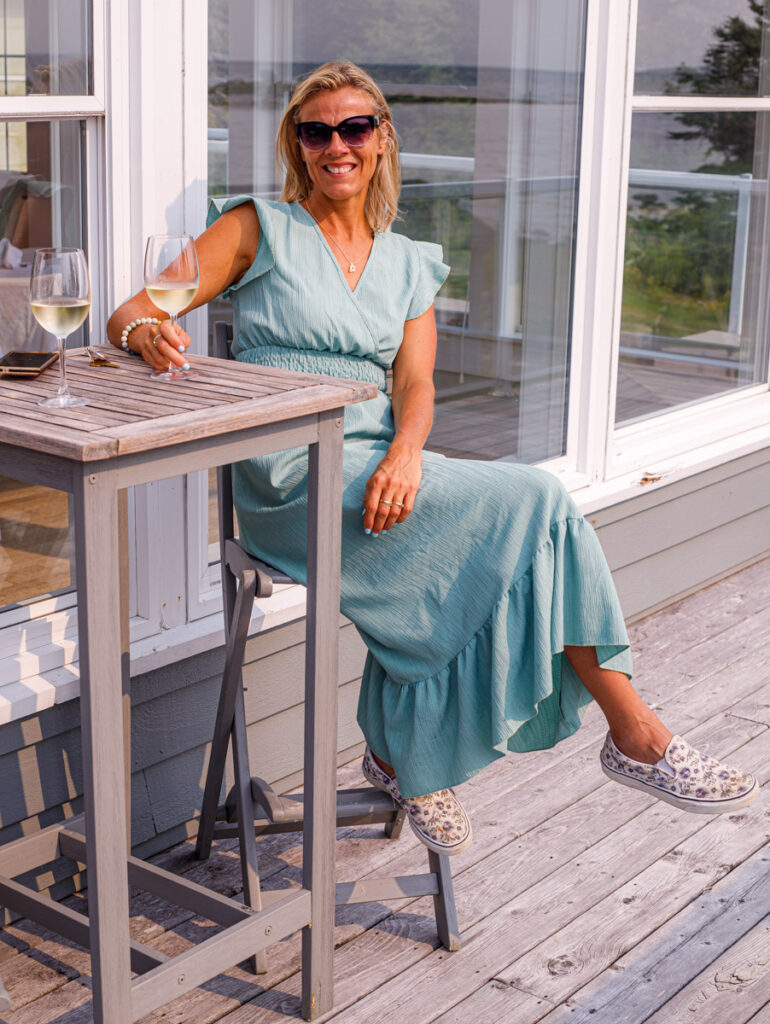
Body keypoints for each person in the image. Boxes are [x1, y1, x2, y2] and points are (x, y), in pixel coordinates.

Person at [107, 61, 758, 858]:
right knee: (533, 504)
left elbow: (415, 384)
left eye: (355, 127)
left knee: (532, 511)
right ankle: (620, 736)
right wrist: (145, 333)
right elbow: (132, 311)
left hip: (374, 455)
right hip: (288, 474)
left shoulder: (410, 261)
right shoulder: (257, 228)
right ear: (296, 144)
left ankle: (427, 754)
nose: (336, 145)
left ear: (382, 138)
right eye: (316, 131)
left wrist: (406, 453)